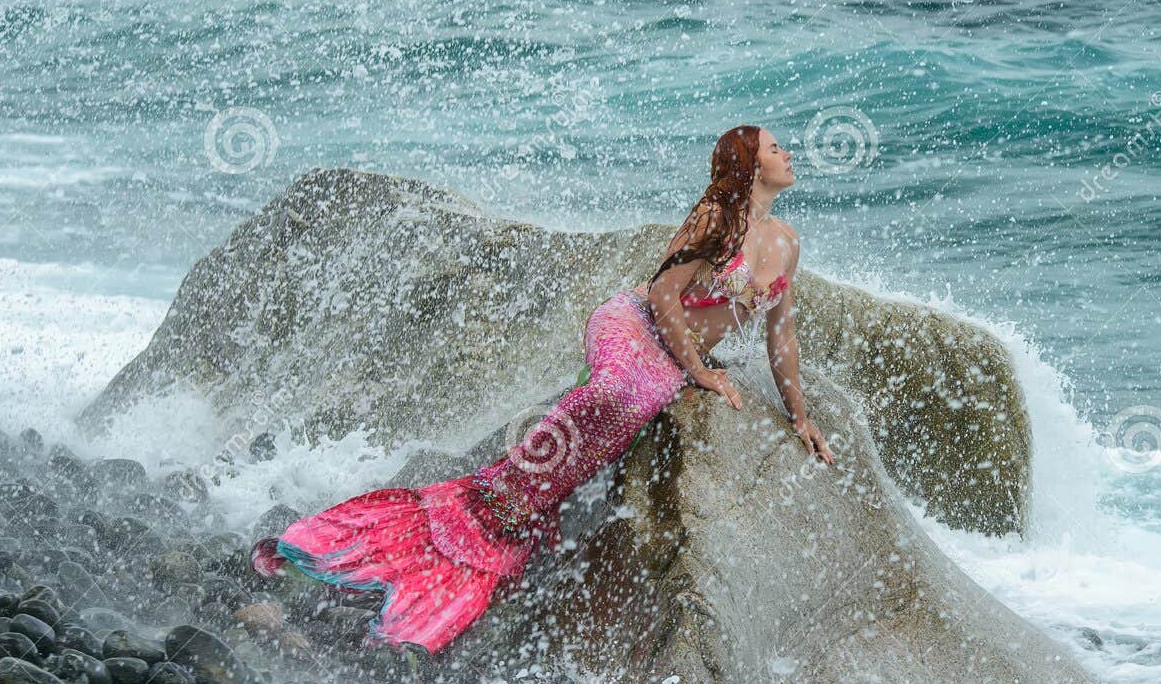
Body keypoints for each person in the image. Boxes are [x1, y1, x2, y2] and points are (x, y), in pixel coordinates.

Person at [250, 124, 834, 653]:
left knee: (636, 402)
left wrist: (800, 416)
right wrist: (702, 371)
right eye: (775, 148)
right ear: (750, 167)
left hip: (670, 359)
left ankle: (515, 523)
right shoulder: (714, 217)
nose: (787, 154)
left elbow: (781, 335)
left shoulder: (786, 241)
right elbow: (661, 294)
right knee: (615, 394)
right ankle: (487, 515)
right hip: (636, 326)